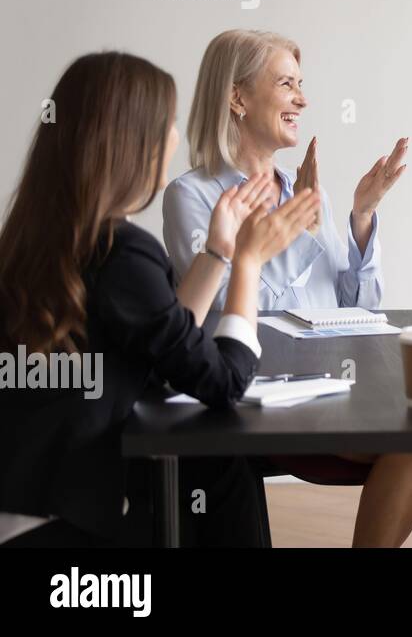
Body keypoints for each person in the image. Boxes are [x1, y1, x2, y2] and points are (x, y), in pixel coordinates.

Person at [163, 30, 412, 547]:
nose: (303, 99)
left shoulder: (300, 190)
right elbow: (225, 321)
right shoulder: (192, 196)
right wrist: (274, 244)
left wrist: (360, 216)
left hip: (342, 381)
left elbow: (357, 312)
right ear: (237, 98)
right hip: (262, 394)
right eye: (287, 84)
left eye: (301, 84)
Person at [0, 51, 320, 546]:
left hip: (22, 503)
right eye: (167, 124)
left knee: (216, 470)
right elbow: (224, 381)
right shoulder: (120, 250)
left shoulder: (32, 238)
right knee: (222, 468)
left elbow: (166, 346)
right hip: (63, 526)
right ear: (131, 144)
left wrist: (218, 251)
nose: (175, 138)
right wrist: (248, 263)